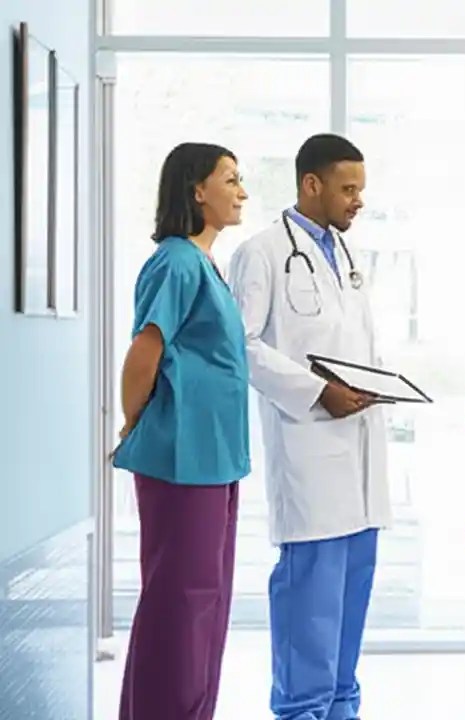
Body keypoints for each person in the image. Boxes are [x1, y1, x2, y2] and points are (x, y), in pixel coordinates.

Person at [227, 133, 389, 720]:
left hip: (360, 454)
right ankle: (301, 710)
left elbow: (352, 344)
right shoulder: (263, 252)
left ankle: (341, 709)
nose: (358, 201)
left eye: (361, 190)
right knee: (310, 603)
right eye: (348, 189)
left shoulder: (346, 257)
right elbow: (238, 346)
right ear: (310, 185)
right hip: (309, 449)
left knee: (350, 601)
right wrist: (319, 391)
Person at [112, 142, 251, 720]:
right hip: (181, 457)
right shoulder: (175, 261)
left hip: (216, 458)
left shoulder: (205, 264)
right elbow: (144, 352)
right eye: (231, 179)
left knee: (206, 605)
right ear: (197, 190)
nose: (242, 191)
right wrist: (135, 421)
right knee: (179, 604)